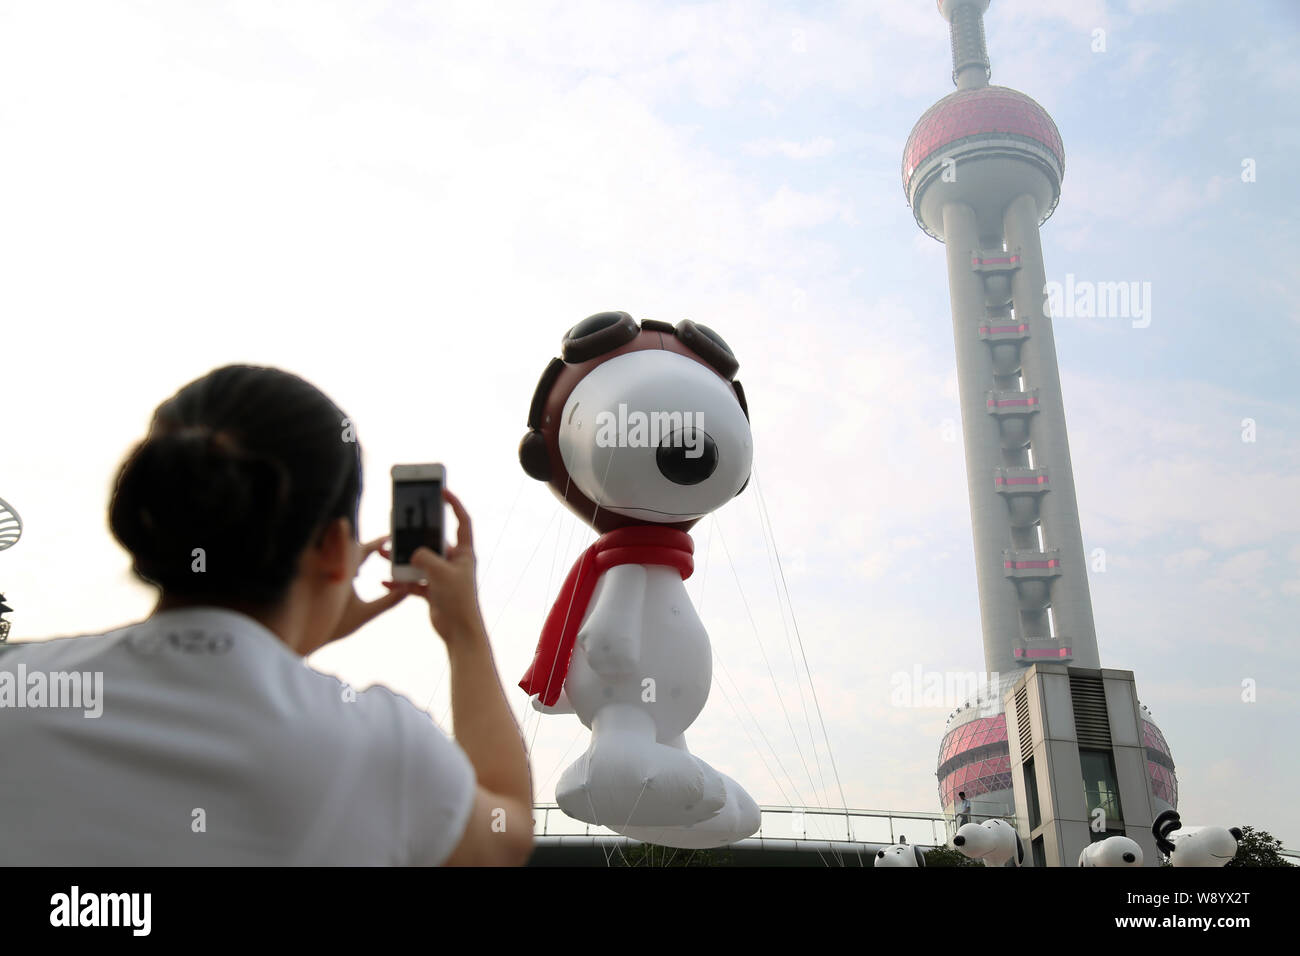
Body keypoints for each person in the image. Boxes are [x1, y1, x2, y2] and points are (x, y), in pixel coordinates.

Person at [0, 365, 532, 865]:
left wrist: (294, 632)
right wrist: (463, 632)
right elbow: (508, 832)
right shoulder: (382, 748)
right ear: (332, 549)